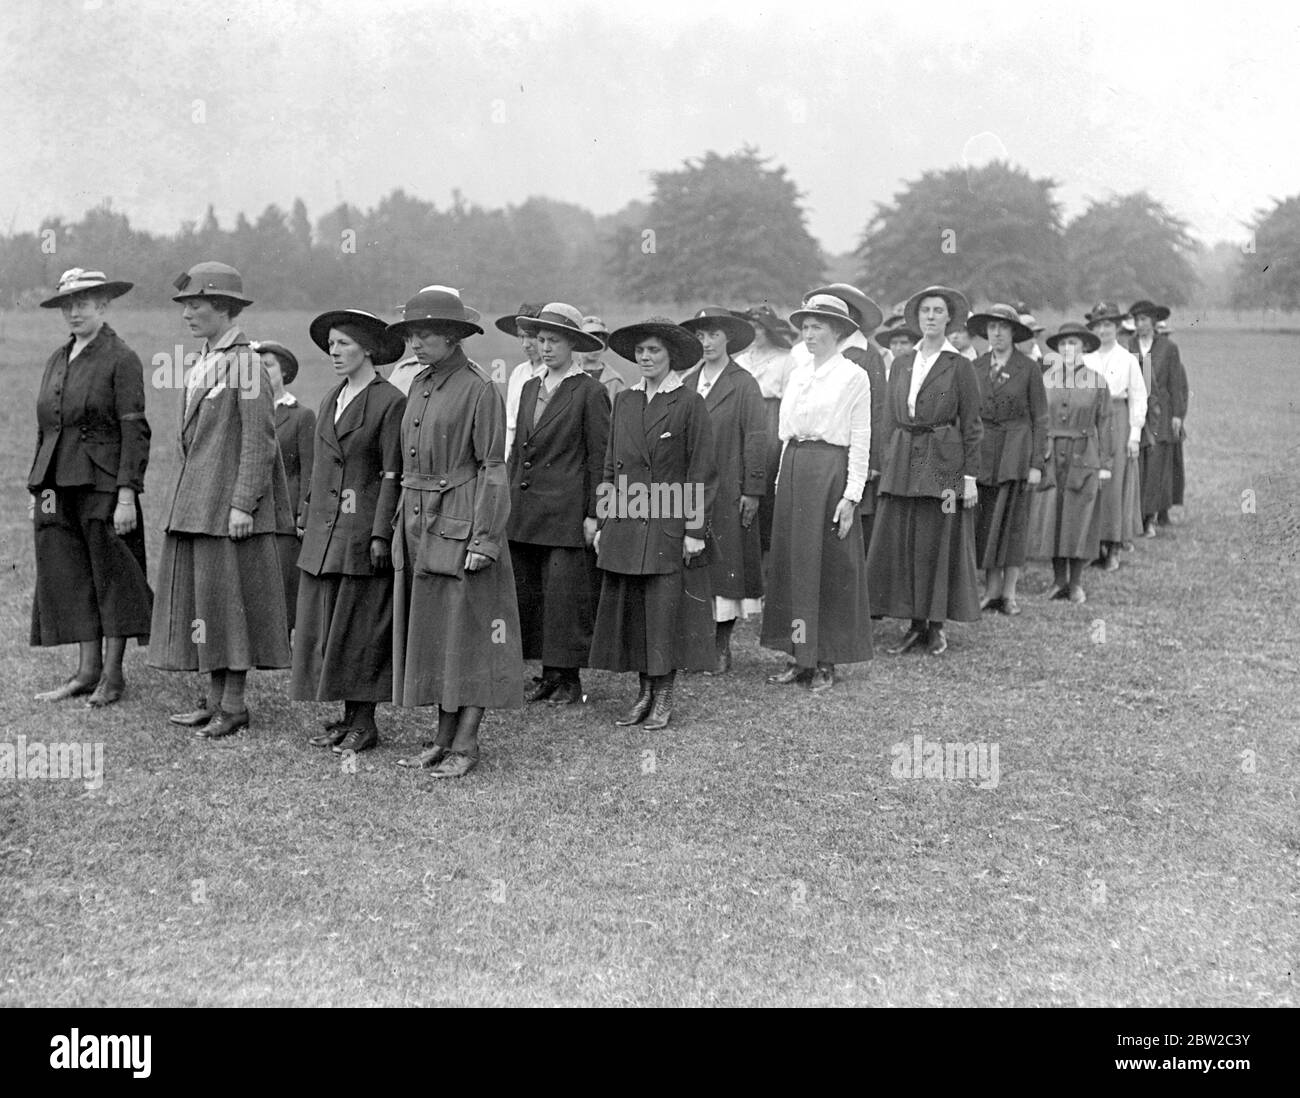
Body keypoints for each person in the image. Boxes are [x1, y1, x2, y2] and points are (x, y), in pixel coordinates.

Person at [150, 261, 293, 738]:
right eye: (185, 305)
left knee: (230, 606)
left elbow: (260, 439)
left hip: (226, 510)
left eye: (196, 305)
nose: (187, 314)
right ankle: (213, 701)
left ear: (224, 308)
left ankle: (233, 705)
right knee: (207, 606)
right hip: (197, 506)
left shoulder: (248, 363)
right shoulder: (206, 359)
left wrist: (243, 504)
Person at [387, 287, 523, 778]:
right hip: (420, 524)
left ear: (451, 335)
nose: (416, 343)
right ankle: (442, 739)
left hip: (463, 523)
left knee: (470, 638)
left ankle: (466, 745)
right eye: (411, 334)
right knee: (437, 636)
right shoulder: (421, 382)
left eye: (424, 334)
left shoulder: (480, 388)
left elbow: (492, 466)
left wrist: (485, 538)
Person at [29, 268, 152, 708]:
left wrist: (125, 495)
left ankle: (113, 675)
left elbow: (134, 430)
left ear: (104, 305)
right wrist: (40, 492)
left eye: (85, 302)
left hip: (103, 485)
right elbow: (46, 428)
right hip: (58, 486)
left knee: (112, 576)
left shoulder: (122, 358)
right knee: (71, 575)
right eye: (68, 303)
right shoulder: (58, 359)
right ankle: (86, 671)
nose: (75, 310)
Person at [591, 317, 717, 730]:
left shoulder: (687, 402)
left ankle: (663, 695)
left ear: (671, 357)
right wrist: (606, 519)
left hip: (668, 521)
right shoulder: (626, 400)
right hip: (626, 521)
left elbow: (701, 471)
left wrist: (694, 532)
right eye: (640, 351)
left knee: (664, 614)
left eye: (654, 351)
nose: (645, 357)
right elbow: (611, 465)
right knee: (636, 614)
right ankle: (643, 692)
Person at [291, 310, 406, 753]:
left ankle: (365, 722)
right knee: (330, 626)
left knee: (360, 630)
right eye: (331, 344)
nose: (334, 352)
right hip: (325, 532)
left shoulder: (389, 401)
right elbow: (320, 467)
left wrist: (380, 533)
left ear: (369, 349)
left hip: (360, 533)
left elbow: (393, 472)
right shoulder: (332, 397)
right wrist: (307, 514)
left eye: (343, 344)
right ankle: (346, 716)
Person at [761, 293, 873, 690]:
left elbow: (860, 437)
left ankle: (825, 659)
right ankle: (798, 654)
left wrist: (851, 494)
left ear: (838, 331)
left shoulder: (853, 376)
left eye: (817, 327)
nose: (809, 334)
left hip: (829, 471)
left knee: (827, 565)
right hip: (794, 468)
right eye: (805, 327)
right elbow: (786, 434)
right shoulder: (798, 372)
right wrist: (778, 481)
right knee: (793, 565)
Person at [867, 285, 982, 656]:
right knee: (906, 539)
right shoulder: (901, 363)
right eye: (925, 311)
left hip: (943, 464)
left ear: (950, 319)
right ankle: (913, 623)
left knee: (938, 539)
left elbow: (972, 424)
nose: (930, 317)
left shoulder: (959, 365)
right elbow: (886, 418)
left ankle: (935, 625)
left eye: (937, 311)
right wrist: (883, 462)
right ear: (917, 319)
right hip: (903, 461)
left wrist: (968, 478)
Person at [508, 303, 610, 706]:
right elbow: (518, 450)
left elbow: (602, 458)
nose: (546, 348)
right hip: (527, 509)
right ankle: (548, 674)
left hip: (567, 512)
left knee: (565, 597)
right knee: (533, 594)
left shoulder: (590, 391)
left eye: (555, 341)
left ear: (574, 345)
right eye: (542, 340)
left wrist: (595, 514)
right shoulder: (530, 386)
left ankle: (569, 678)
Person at [680, 306, 766, 673]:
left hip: (730, 485)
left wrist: (753, 489)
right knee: (691, 560)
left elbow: (757, 438)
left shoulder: (743, 383)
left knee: (727, 562)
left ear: (727, 338)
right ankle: (694, 642)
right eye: (700, 336)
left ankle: (721, 644)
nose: (707, 342)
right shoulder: (686, 381)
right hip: (692, 487)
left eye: (713, 334)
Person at [790, 284, 887, 556]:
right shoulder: (809, 355)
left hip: (851, 451)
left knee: (849, 520)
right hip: (813, 453)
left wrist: (873, 460)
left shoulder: (867, 356)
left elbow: (877, 410)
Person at [967, 304, 1047, 615]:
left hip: (1016, 454)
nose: (997, 333)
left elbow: (1041, 418)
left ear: (1014, 333)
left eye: (1003, 328)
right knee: (987, 523)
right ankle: (992, 590)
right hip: (985, 455)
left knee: (1013, 524)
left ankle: (1010, 593)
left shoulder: (1028, 368)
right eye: (991, 328)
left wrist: (1036, 464)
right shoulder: (976, 367)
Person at [1027, 323, 1113, 603]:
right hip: (1052, 454)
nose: (1068, 349)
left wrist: (1104, 463)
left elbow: (1106, 423)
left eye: (1073, 344)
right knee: (1052, 514)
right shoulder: (1047, 379)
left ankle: (1075, 582)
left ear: (1085, 347)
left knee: (1079, 515)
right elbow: (1038, 421)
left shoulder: (1097, 381)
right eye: (1063, 344)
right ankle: (1058, 580)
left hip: (1083, 455)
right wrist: (1037, 460)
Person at [254, 340, 315, 633]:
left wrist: (304, 513)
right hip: (250, 511)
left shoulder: (301, 416)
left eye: (268, 366)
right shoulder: (248, 411)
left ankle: (284, 640)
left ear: (284, 372)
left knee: (284, 582)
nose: (262, 373)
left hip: (285, 515)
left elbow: (309, 469)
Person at [1082, 302, 1147, 569]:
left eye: (1108, 324)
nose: (1104, 330)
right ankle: (1093, 544)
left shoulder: (1128, 359)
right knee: (1092, 478)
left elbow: (1139, 397)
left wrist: (1134, 434)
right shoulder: (1085, 359)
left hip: (1117, 420)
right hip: (1090, 423)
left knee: (1116, 481)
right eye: (1099, 325)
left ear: (1117, 327)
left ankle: (1114, 546)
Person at [732, 303, 797, 554]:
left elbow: (790, 402)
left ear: (769, 330)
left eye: (759, 327)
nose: (754, 332)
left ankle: (765, 553)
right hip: (741, 421)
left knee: (765, 482)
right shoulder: (740, 360)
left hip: (771, 422)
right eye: (750, 327)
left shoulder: (785, 361)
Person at [1129, 299, 1188, 535]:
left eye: (1144, 320)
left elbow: (1176, 383)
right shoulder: (1128, 345)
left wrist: (1177, 415)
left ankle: (1151, 518)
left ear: (1154, 322)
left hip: (1161, 413)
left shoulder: (1168, 348)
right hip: (1136, 410)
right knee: (1139, 464)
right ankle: (1136, 515)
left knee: (1156, 467)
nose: (1140, 324)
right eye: (1136, 320)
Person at [496, 302, 545, 459]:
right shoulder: (518, 373)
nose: (525, 344)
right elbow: (510, 423)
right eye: (521, 337)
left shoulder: (561, 374)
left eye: (531, 336)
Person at [577, 315, 627, 403]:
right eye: (590, 341)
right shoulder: (567, 375)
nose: (595, 347)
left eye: (600, 341)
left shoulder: (614, 380)